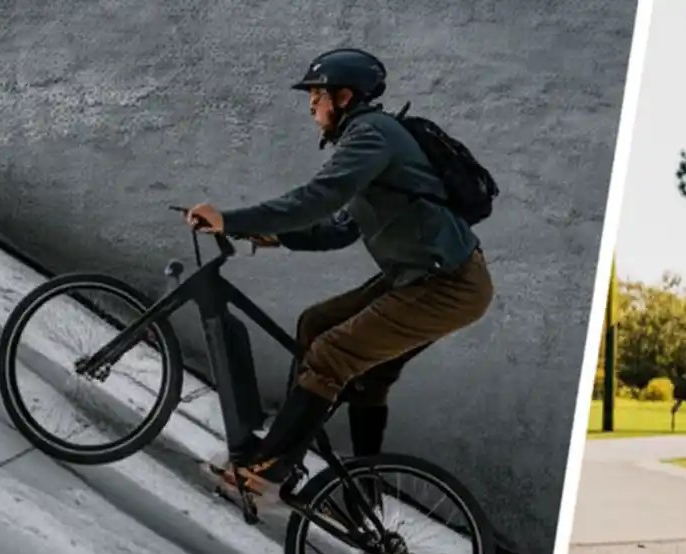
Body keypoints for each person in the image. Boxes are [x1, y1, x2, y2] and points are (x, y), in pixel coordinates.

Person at [185, 47, 494, 494]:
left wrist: (232, 219)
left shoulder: (371, 135)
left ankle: (270, 465)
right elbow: (339, 229)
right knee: (319, 327)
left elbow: (318, 197)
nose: (311, 105)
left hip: (447, 284)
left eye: (317, 95)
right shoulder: (368, 141)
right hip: (418, 276)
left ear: (344, 96)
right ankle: (355, 491)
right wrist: (276, 236)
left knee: (333, 354)